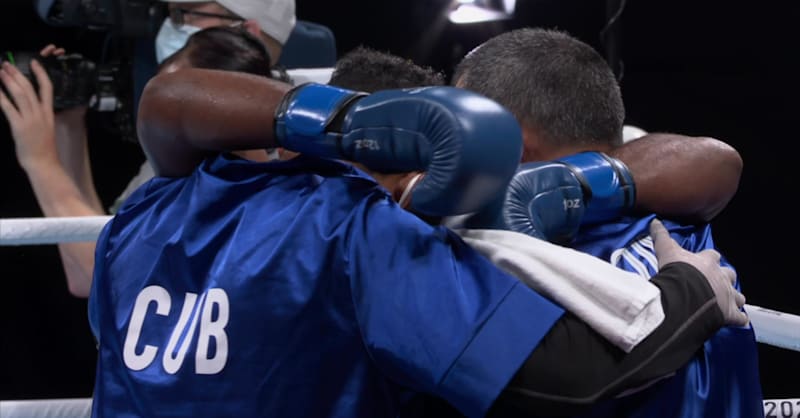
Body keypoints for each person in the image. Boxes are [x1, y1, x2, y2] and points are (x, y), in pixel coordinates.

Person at [89, 61, 748, 417]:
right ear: (409, 160)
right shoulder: (365, 233)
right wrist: (693, 290)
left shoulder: (148, 211)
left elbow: (169, 103)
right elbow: (575, 382)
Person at [452, 27, 763, 417]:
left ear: (509, 143)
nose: (447, 157)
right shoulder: (687, 227)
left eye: (457, 133)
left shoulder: (496, 264)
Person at [0, 0, 296, 298]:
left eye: (186, 14)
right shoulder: (178, 156)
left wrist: (40, 162)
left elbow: (107, 271)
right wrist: (69, 131)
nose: (172, 27)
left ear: (246, 35)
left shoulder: (257, 183)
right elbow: (87, 269)